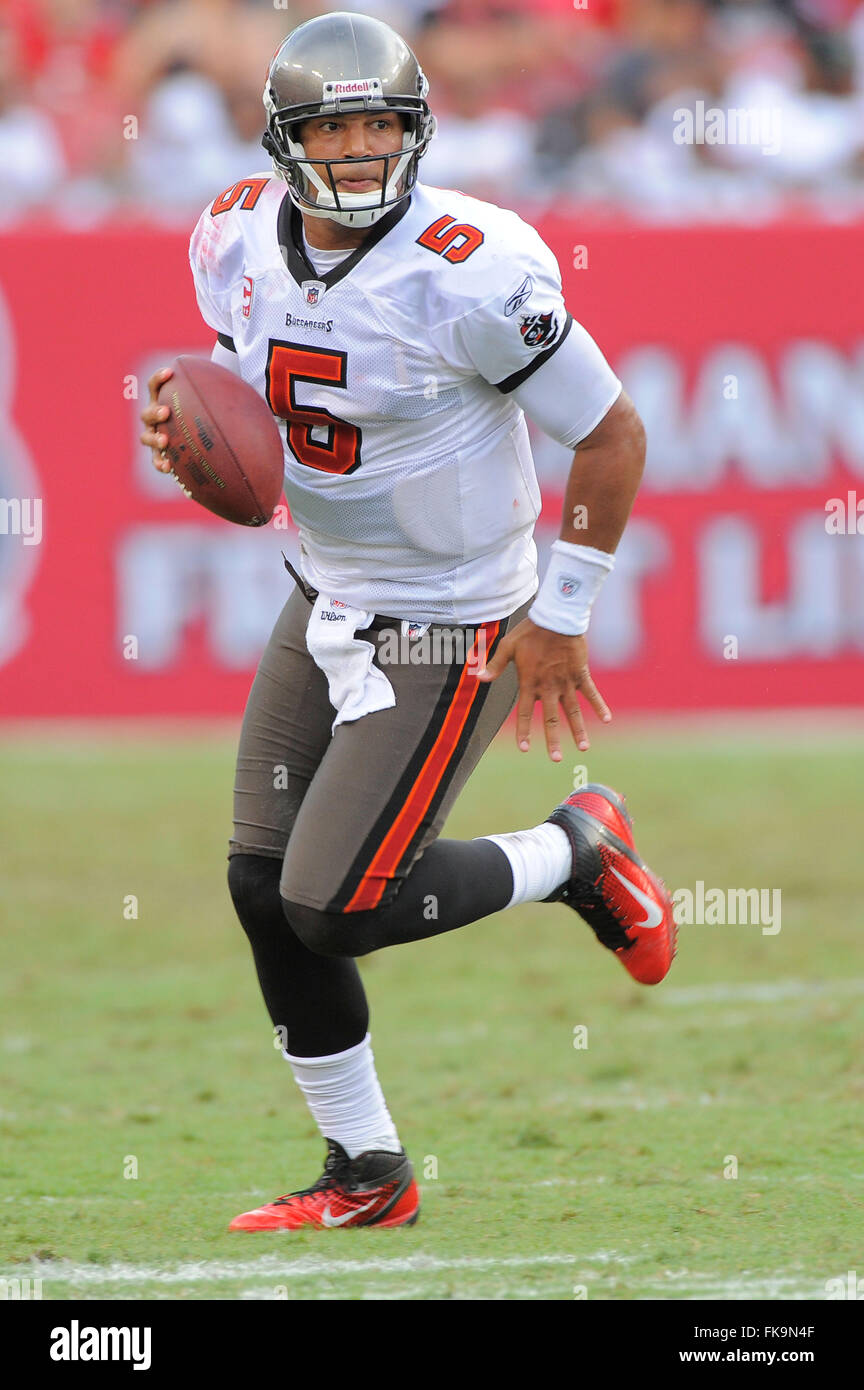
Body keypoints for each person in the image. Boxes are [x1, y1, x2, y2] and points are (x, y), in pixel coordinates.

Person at [140, 10, 676, 1233]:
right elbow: (243, 405)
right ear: (284, 140)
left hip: (453, 615)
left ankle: (575, 855)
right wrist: (181, 429)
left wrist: (565, 608)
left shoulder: (468, 265)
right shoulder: (231, 240)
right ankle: (367, 1172)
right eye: (335, 128)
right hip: (324, 587)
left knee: (335, 903)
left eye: (382, 123)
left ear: (418, 126)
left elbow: (613, 431)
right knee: (260, 880)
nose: (363, 150)